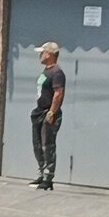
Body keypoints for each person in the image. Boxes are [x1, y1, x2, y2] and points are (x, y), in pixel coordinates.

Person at [30, 41, 65, 192]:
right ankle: (41, 173)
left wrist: (52, 112)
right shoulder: (46, 71)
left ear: (49, 54)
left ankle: (48, 177)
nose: (40, 55)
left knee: (47, 145)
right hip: (39, 111)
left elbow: (58, 93)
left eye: (42, 52)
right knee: (37, 145)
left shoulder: (57, 73)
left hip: (48, 113)